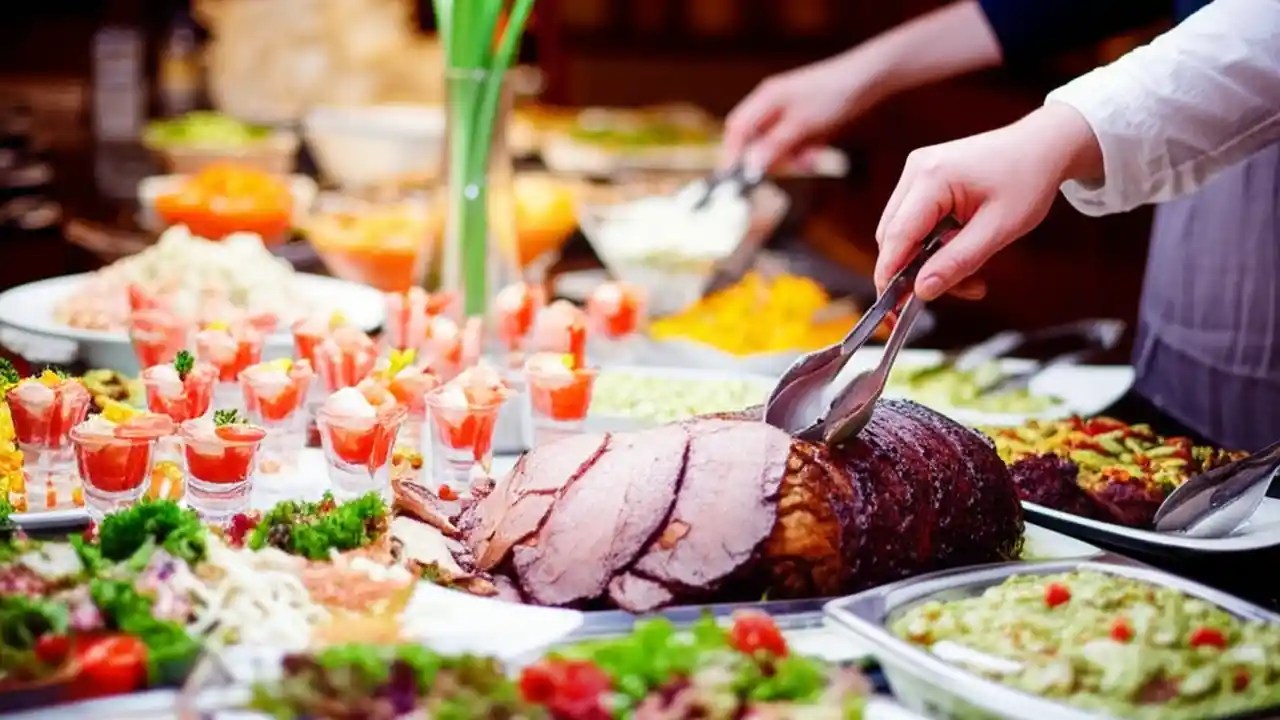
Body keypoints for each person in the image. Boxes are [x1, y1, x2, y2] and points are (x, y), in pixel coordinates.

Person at [723, 0, 1280, 450]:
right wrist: (864, 71)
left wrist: (1053, 137)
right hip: (1183, 122)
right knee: (1181, 456)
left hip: (1232, 128)